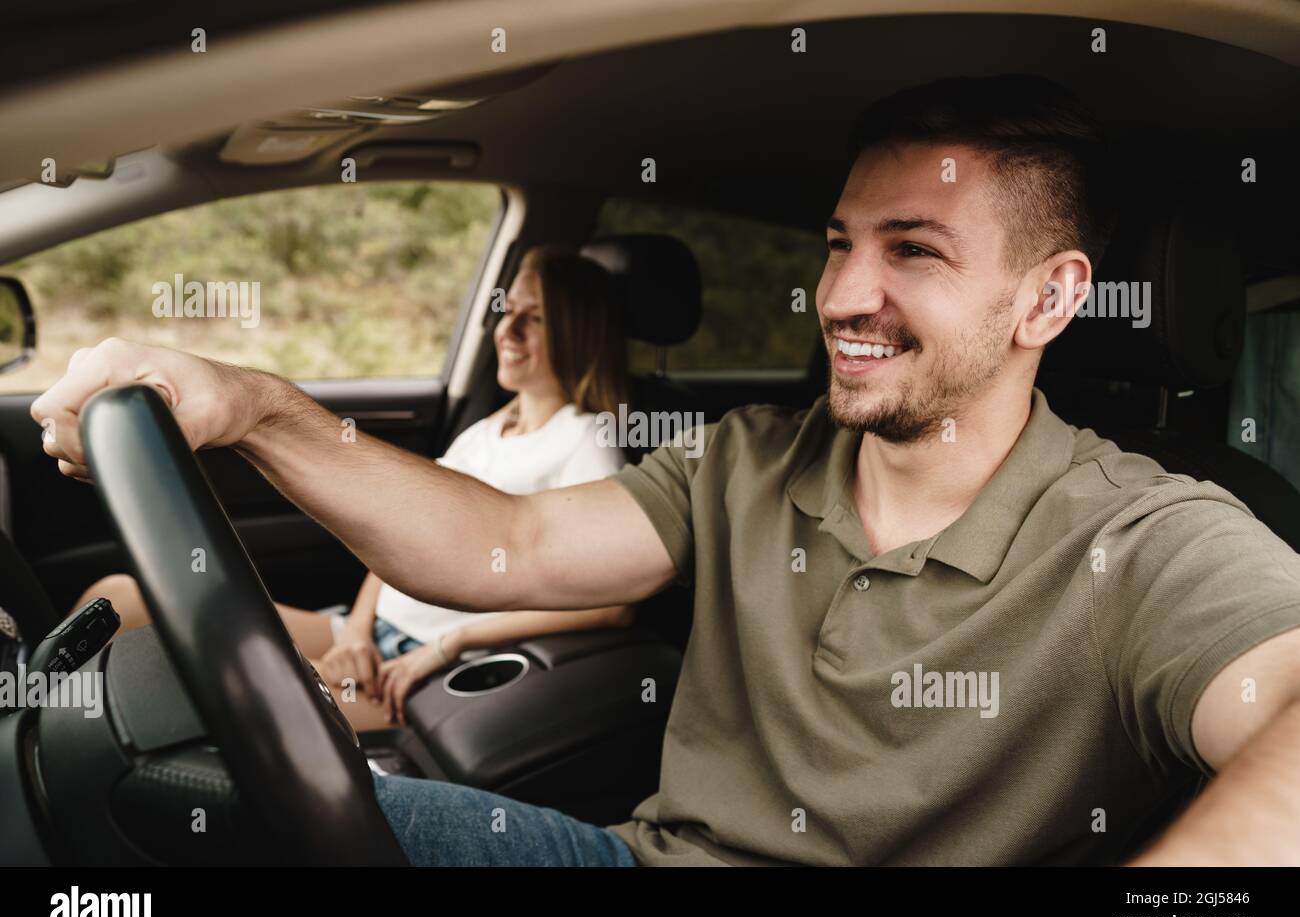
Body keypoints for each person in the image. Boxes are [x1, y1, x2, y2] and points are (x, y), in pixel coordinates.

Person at [32, 75, 1300, 867]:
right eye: (838, 243)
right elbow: (500, 550)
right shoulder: (750, 455)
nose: (843, 294)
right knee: (125, 785)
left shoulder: (1147, 535)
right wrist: (252, 406)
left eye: (912, 250)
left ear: (1049, 297)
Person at [68, 246, 633, 729]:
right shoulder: (488, 431)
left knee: (217, 694)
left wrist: (449, 646)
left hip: (419, 674)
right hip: (368, 632)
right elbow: (406, 533)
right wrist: (356, 632)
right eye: (506, 312)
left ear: (575, 329)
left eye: (532, 319)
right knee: (118, 599)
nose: (506, 330)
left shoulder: (587, 439)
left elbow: (612, 604)